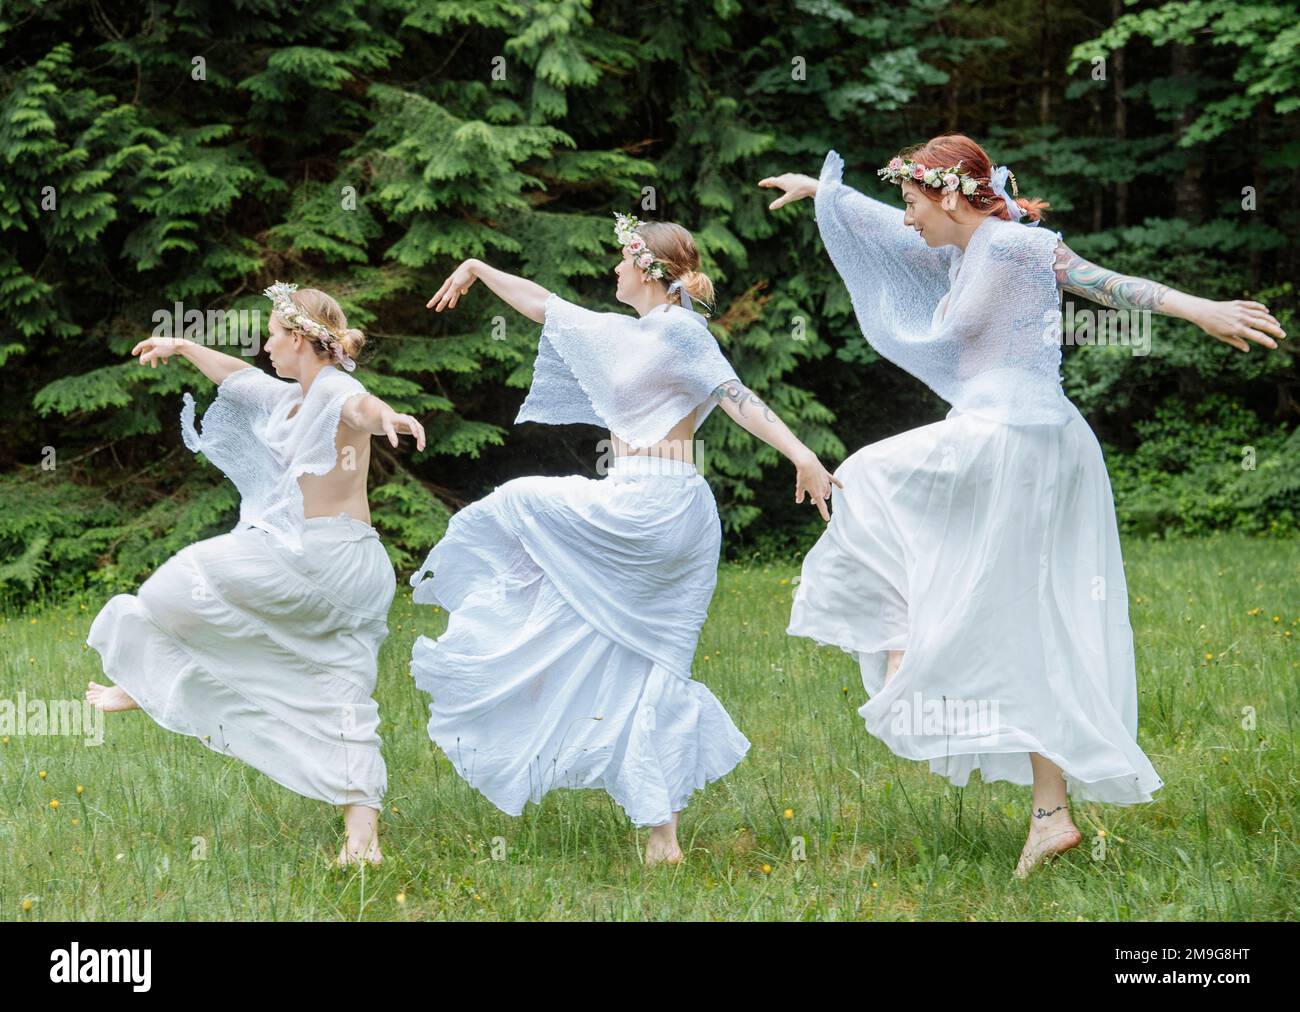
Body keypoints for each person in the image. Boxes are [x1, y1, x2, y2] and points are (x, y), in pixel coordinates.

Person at [759, 134, 1285, 877]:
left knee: (864, 478)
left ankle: (907, 639)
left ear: (949, 195)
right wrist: (825, 195)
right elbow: (883, 224)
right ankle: (1050, 814)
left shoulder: (1009, 245)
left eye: (914, 202)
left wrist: (1201, 310)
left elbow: (1104, 282)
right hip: (1011, 435)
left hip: (1019, 436)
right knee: (1021, 619)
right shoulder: (960, 250)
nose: (906, 219)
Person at [410, 213, 841, 865]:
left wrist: (801, 454)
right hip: (654, 503)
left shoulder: (678, 331)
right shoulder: (628, 332)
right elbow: (544, 305)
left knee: (520, 501)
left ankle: (499, 607)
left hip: (655, 504)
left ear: (645, 268)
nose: (612, 269)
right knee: (648, 667)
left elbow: (734, 394)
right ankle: (662, 839)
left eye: (621, 259)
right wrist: (476, 268)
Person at [85, 282, 426, 867]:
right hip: (350, 567)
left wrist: (390, 416)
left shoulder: (337, 388)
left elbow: (361, 407)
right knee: (343, 692)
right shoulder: (289, 399)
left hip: (327, 559)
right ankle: (361, 843)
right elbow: (238, 377)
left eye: (273, 333)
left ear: (297, 338)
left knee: (180, 582)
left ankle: (157, 679)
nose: (266, 343)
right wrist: (184, 348)